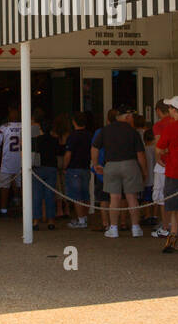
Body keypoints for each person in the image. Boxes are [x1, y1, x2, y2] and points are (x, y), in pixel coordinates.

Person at [91, 106, 147, 239]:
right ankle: (135, 227)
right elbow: (140, 154)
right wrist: (144, 171)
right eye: (131, 116)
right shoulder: (133, 131)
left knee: (114, 198)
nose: (132, 118)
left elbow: (94, 147)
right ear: (127, 117)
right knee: (131, 197)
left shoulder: (105, 130)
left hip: (111, 165)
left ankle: (113, 228)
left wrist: (95, 164)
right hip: (130, 164)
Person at [157, 96, 178, 254]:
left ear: (174, 110)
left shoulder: (171, 128)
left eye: (170, 107)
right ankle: (173, 235)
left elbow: (160, 148)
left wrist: (162, 157)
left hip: (175, 171)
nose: (168, 110)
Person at [63, 112, 92, 228]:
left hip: (74, 168)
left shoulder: (73, 136)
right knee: (85, 193)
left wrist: (65, 166)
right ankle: (84, 217)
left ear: (74, 122)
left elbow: (68, 154)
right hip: (86, 167)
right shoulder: (90, 135)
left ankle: (81, 220)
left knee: (77, 195)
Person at [0, 108, 23, 215]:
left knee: (4, 187)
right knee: (21, 186)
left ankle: (3, 209)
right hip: (21, 161)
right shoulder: (24, 126)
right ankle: (23, 208)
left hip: (6, 161)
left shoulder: (4, 128)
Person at [32, 120, 61, 231]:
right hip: (51, 168)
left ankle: (36, 221)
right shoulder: (54, 140)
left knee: (36, 196)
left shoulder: (36, 140)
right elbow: (57, 152)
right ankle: (51, 221)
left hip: (38, 168)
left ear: (41, 130)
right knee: (50, 195)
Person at [150, 100, 171, 239]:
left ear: (158, 110)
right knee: (175, 195)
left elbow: (159, 144)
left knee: (162, 197)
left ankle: (165, 226)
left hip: (164, 164)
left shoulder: (159, 125)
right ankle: (176, 226)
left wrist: (158, 157)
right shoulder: (176, 122)